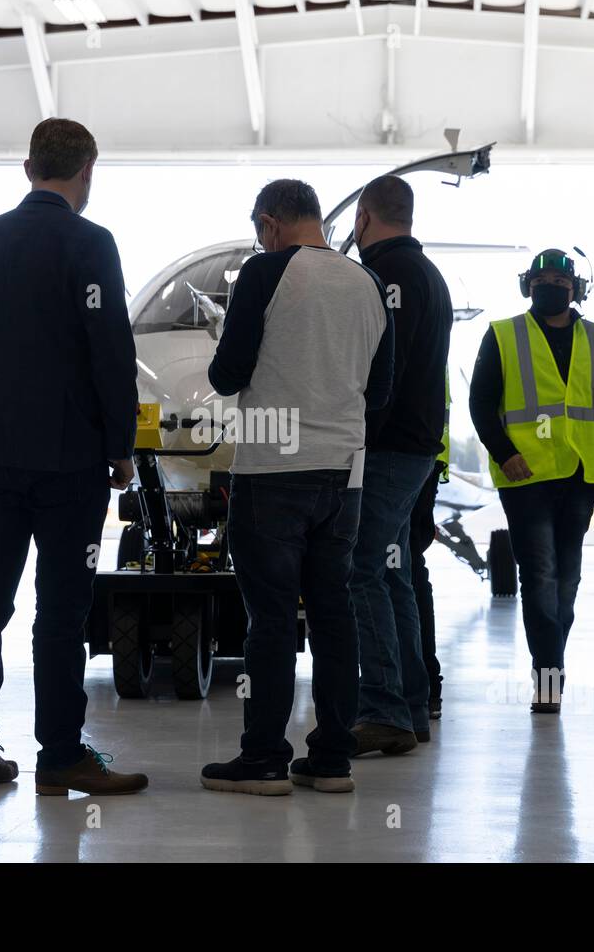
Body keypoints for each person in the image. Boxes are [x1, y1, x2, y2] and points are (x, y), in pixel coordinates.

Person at [0, 117, 147, 794]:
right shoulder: (91, 244)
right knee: (59, 612)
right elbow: (111, 350)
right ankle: (60, 758)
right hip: (70, 461)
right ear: (87, 172)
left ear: (28, 169)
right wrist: (119, 445)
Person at [200, 178, 393, 795]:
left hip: (271, 472)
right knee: (335, 615)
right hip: (344, 474)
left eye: (261, 229)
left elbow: (227, 375)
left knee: (274, 621)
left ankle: (263, 760)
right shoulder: (366, 283)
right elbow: (382, 391)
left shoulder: (264, 273)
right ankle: (334, 757)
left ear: (271, 223)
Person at [468, 249, 594, 714]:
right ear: (528, 286)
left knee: (567, 581)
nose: (551, 288)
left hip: (582, 475)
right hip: (525, 478)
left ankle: (550, 663)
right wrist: (507, 453)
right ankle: (549, 678)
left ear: (575, 290)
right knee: (540, 576)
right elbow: (480, 404)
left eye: (560, 283)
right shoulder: (504, 335)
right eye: (541, 279)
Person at [347, 175, 452, 755]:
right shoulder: (427, 274)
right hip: (417, 448)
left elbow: (384, 372)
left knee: (359, 568)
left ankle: (384, 707)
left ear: (364, 218)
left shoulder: (388, 275)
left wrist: (357, 441)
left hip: (388, 448)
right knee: (394, 571)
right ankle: (410, 708)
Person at [411, 374, 451, 720]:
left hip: (400, 451)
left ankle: (418, 690)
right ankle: (421, 690)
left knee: (399, 569)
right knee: (406, 569)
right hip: (423, 453)